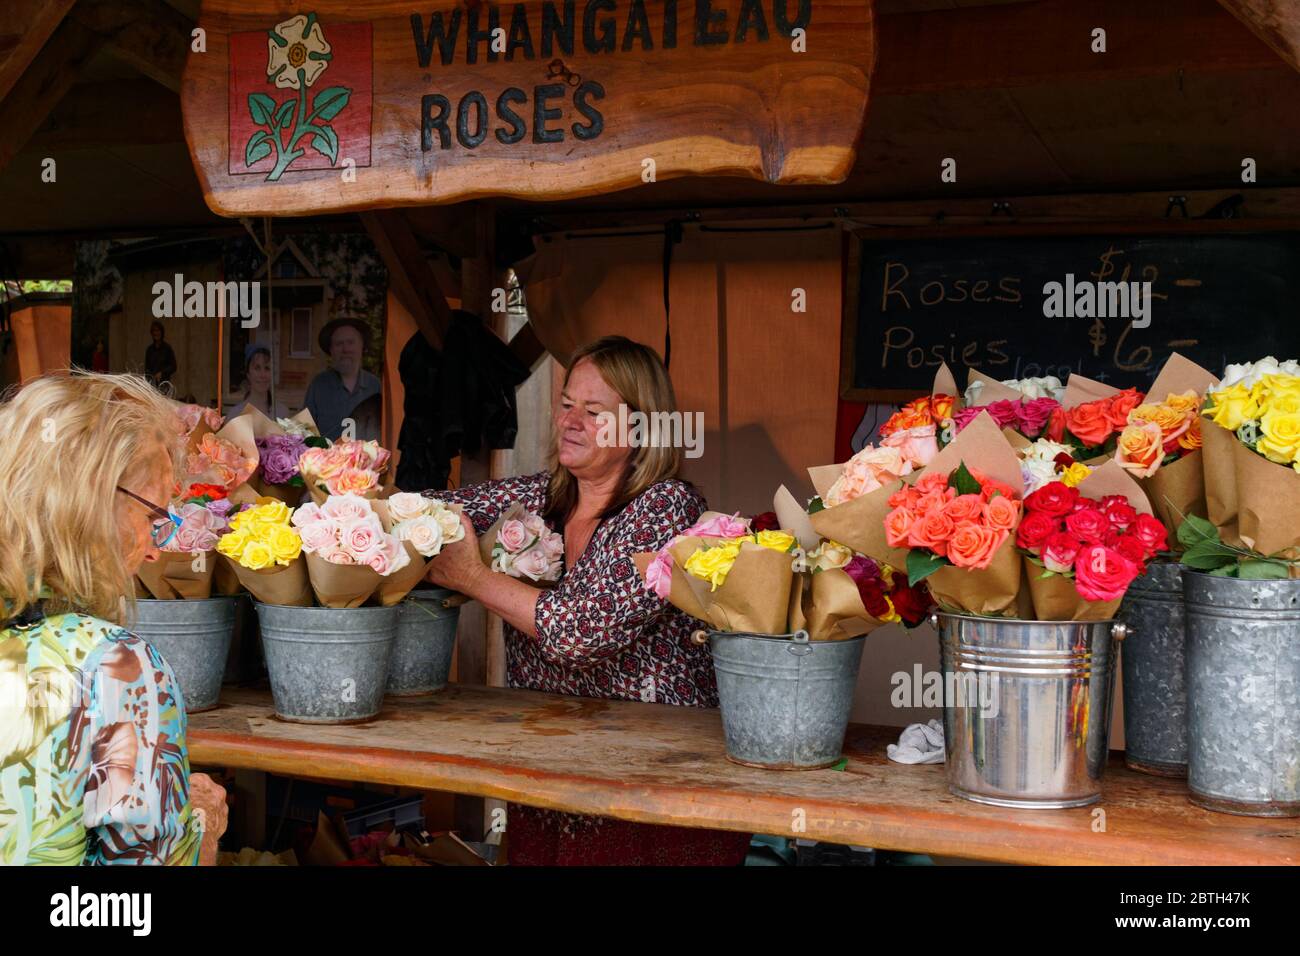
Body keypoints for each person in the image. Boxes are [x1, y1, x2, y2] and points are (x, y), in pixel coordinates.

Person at [423, 335, 751, 866]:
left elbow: (581, 633)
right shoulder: (535, 499)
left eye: (594, 411)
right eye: (566, 403)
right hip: (551, 777)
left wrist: (471, 576)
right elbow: (422, 510)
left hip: (651, 792)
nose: (570, 421)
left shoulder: (666, 507)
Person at [0, 371, 228, 865]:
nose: (154, 551)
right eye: (153, 517)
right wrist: (202, 825)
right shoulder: (115, 666)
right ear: (91, 497)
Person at [305, 317, 380, 441]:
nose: (345, 349)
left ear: (362, 347)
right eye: (339, 344)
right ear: (331, 350)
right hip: (327, 459)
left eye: (351, 342)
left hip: (367, 459)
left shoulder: (375, 386)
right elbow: (304, 432)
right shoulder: (318, 385)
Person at [229, 343, 289, 420]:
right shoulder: (235, 414)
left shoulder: (282, 413)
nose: (262, 375)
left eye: (267, 368)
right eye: (257, 368)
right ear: (248, 374)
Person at [144, 320, 177, 389]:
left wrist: (162, 373)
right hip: (152, 386)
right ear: (152, 333)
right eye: (154, 331)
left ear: (162, 332)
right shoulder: (149, 350)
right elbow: (146, 369)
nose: (156, 333)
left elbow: (173, 366)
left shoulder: (167, 348)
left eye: (158, 330)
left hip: (164, 385)